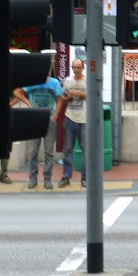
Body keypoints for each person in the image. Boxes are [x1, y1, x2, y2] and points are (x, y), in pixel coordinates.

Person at [18, 73, 63, 190]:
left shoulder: (54, 83)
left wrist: (55, 115)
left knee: (49, 151)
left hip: (49, 120)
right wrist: (28, 103)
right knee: (34, 151)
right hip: (35, 119)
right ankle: (33, 179)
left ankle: (47, 179)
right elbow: (17, 92)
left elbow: (60, 100)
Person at [55, 57, 89, 188]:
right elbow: (63, 100)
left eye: (78, 67)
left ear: (83, 68)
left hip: (84, 119)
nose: (76, 70)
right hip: (70, 117)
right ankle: (66, 177)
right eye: (74, 67)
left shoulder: (88, 81)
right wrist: (68, 97)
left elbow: (94, 97)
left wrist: (81, 95)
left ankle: (85, 178)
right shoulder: (68, 81)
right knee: (67, 149)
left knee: (85, 149)